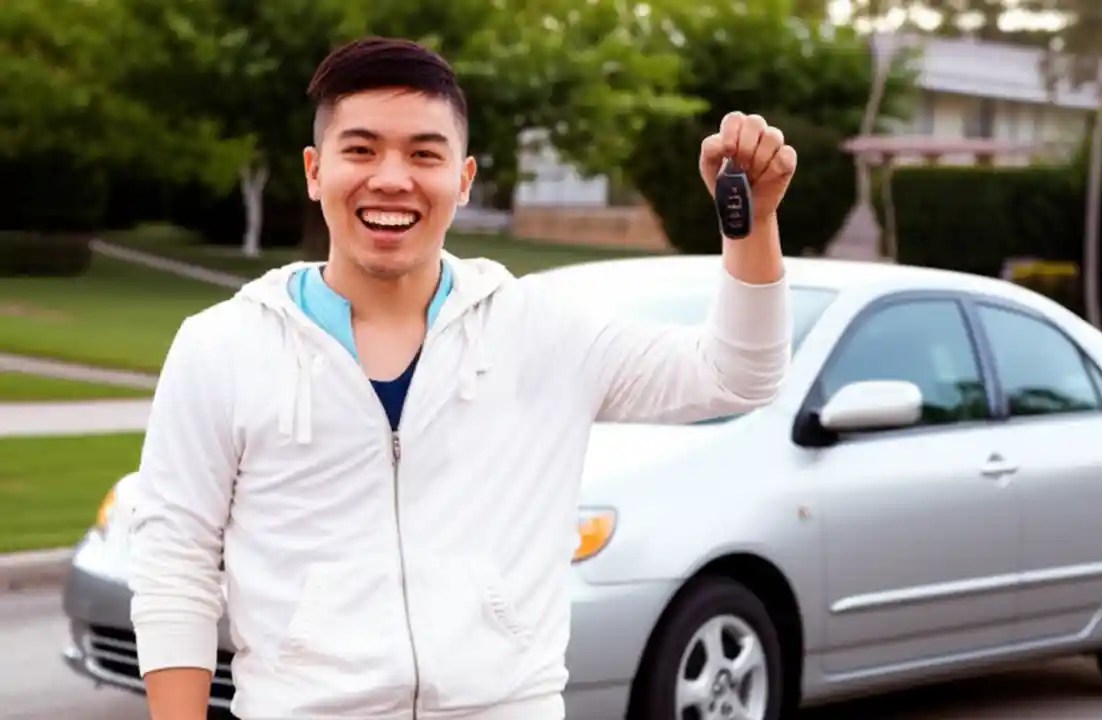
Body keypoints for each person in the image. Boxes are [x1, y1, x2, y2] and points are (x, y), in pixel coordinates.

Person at [127, 36, 796, 720]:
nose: (392, 178)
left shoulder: (542, 330)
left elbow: (739, 373)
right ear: (313, 169)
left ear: (465, 177)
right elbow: (174, 566)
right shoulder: (222, 346)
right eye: (360, 149)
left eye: (424, 153)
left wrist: (754, 221)